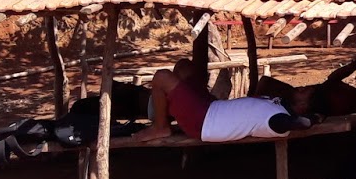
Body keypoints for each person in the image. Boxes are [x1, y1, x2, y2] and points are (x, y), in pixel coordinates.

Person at [131, 58, 314, 143]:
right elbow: (266, 83)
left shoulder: (277, 121)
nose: (302, 87)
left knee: (162, 77)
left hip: (203, 122)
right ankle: (171, 109)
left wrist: (308, 120)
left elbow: (293, 123)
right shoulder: (279, 102)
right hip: (211, 107)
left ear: (303, 106)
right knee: (183, 66)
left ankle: (160, 126)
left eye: (305, 92)